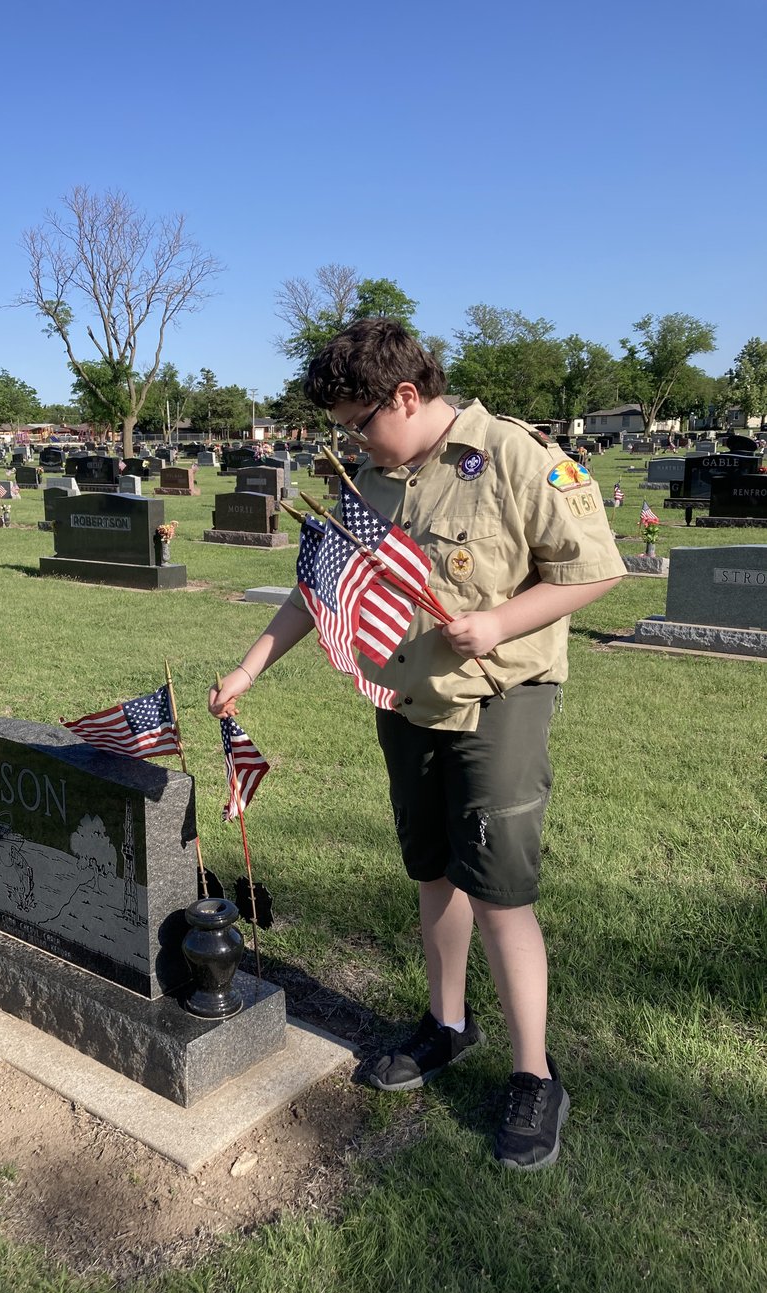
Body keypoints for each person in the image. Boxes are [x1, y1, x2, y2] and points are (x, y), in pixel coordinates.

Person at [208, 319, 626, 1170]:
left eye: (359, 423)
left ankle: (534, 1075)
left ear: (406, 396)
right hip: (404, 701)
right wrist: (250, 667)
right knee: (433, 872)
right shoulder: (371, 479)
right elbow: (317, 589)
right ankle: (446, 1024)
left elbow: (595, 568)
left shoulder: (513, 456)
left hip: (497, 702)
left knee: (500, 892)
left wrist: (498, 622)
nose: (352, 442)